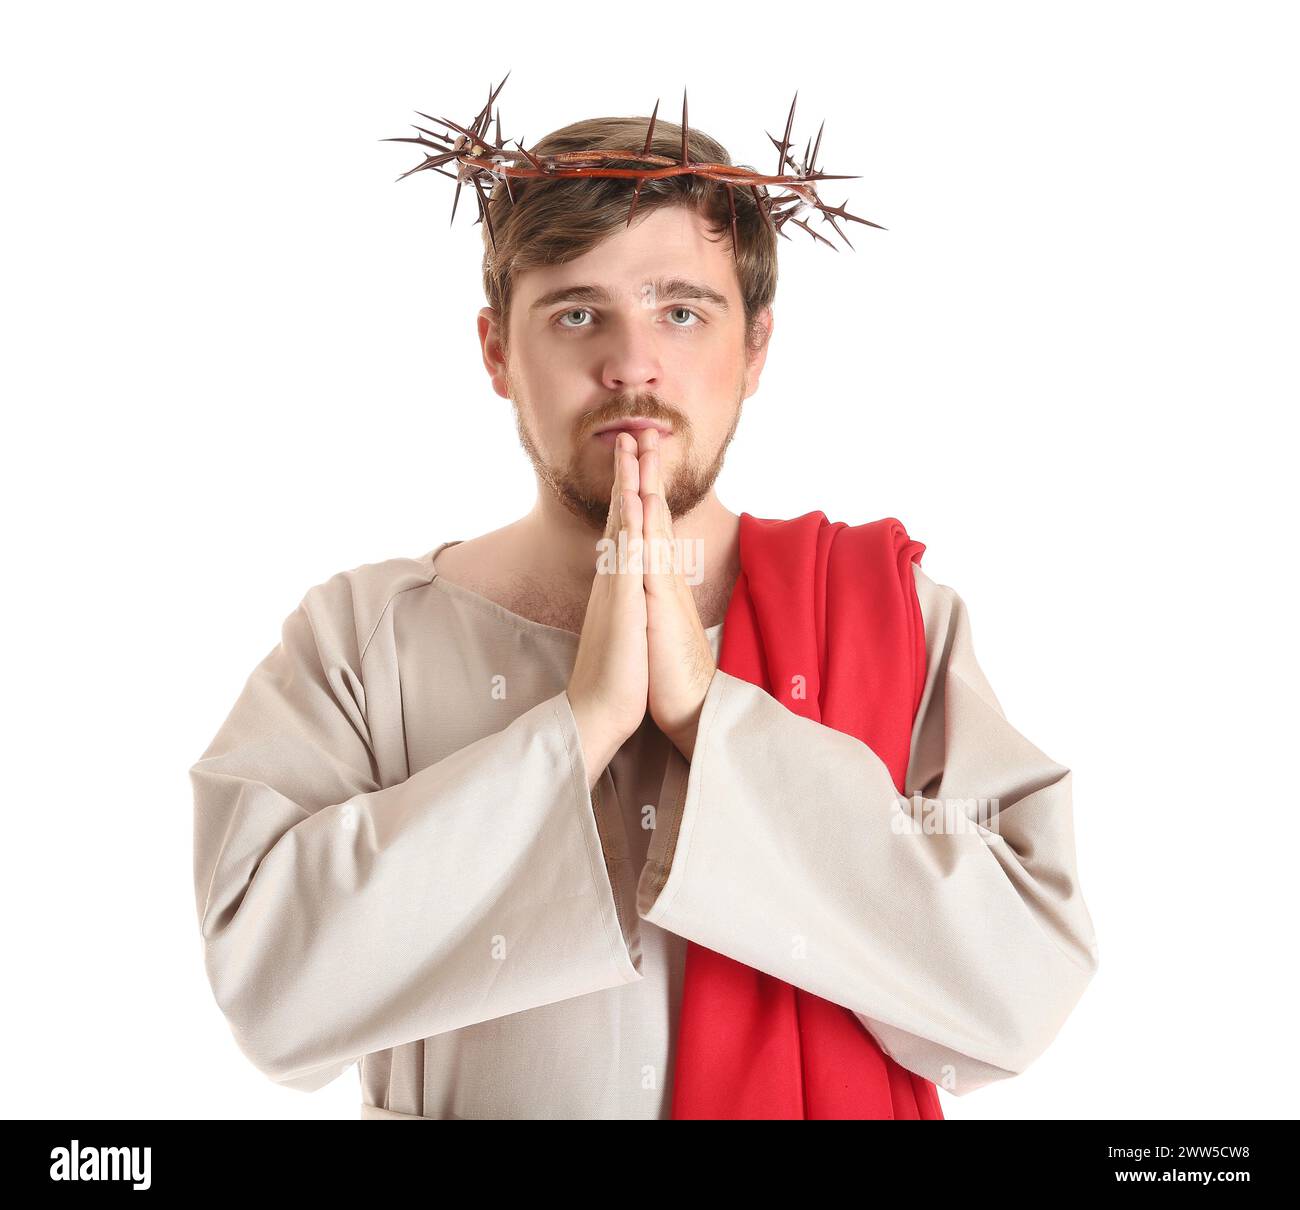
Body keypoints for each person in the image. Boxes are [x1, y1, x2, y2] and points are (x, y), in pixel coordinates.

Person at [190, 107, 1099, 1120]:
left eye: (681, 312)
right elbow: (270, 996)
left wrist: (712, 718)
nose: (631, 364)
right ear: (496, 352)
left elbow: (1019, 991)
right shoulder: (364, 637)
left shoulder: (892, 617)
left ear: (754, 348)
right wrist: (576, 727)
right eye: (577, 314)